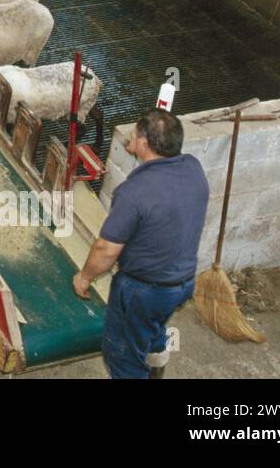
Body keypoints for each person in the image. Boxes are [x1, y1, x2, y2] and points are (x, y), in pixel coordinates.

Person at [73, 108, 209, 379]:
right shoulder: (193, 167)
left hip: (143, 291)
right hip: (182, 283)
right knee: (153, 328)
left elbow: (106, 249)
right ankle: (157, 369)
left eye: (134, 135)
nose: (130, 138)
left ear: (144, 144)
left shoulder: (134, 192)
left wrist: (85, 277)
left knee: (123, 355)